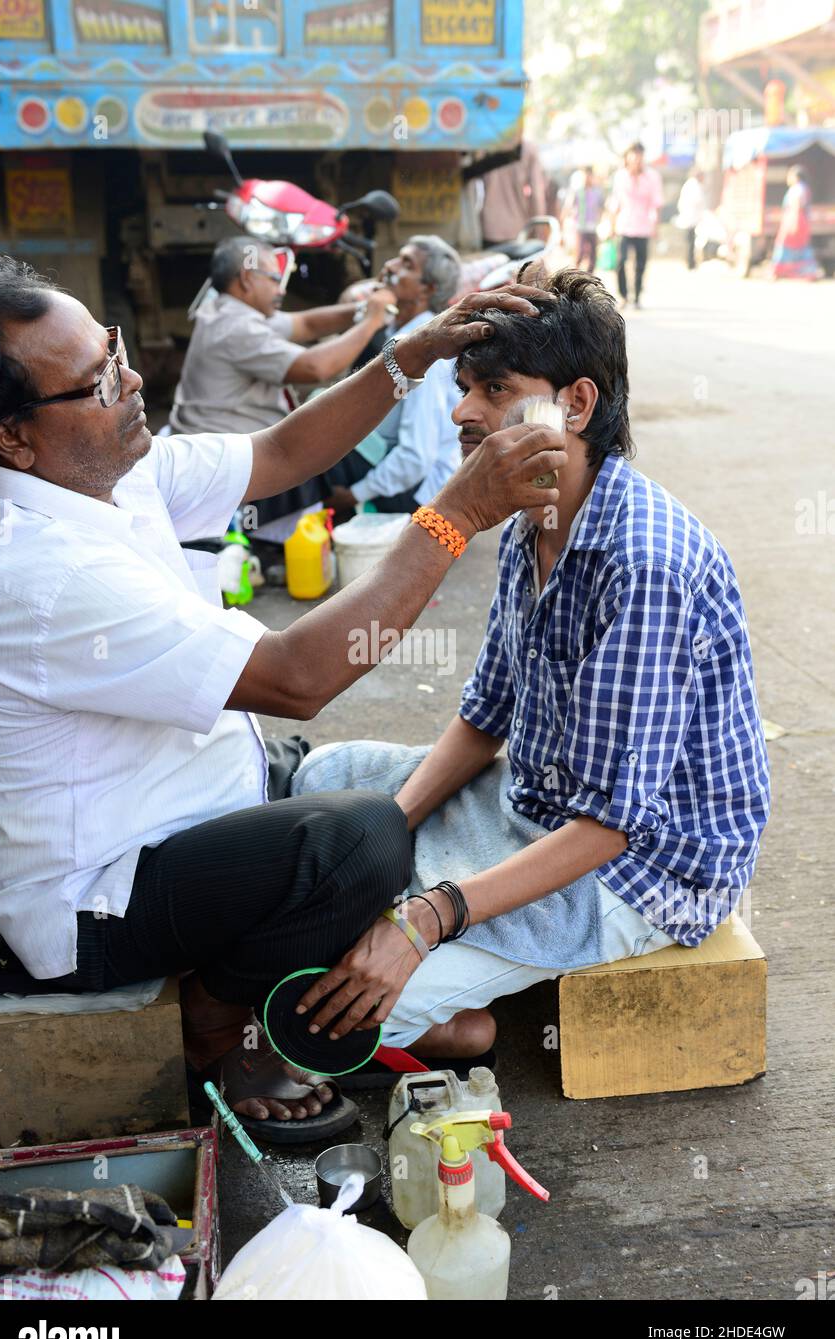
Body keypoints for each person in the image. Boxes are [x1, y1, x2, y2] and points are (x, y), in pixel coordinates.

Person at [0, 256, 562, 1142]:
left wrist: (416, 350)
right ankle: (217, 1023)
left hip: (187, 796)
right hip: (103, 896)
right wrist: (454, 514)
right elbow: (298, 677)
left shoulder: (101, 465)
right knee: (361, 837)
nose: (129, 381)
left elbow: (281, 453)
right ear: (11, 438)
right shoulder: (35, 572)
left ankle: (330, 990)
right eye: (96, 382)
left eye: (116, 349)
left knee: (376, 784)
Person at [291, 266, 770, 1059]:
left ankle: (457, 1024)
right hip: (539, 804)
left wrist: (428, 913)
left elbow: (610, 827)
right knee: (328, 780)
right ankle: (460, 983)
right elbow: (483, 719)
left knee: (340, 1007)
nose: (462, 410)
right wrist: (386, 832)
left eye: (493, 389)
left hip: (643, 871)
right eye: (463, 386)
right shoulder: (529, 516)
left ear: (575, 404)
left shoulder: (641, 563)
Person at [170, 237, 395, 530]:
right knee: (339, 443)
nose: (282, 289)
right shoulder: (235, 327)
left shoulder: (231, 310)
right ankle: (287, 533)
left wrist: (362, 310)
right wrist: (371, 322)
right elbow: (316, 367)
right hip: (226, 464)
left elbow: (307, 325)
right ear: (247, 279)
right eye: (275, 278)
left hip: (214, 445)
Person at [326, 236, 463, 517]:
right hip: (397, 469)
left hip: (418, 494)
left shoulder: (423, 348)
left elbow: (416, 457)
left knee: (320, 448)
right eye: (397, 258)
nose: (389, 266)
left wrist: (353, 495)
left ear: (428, 288)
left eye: (406, 264)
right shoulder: (395, 333)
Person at [609, 142, 663, 310]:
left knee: (640, 264)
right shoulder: (620, 176)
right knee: (621, 261)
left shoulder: (652, 177)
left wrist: (656, 226)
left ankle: (637, 296)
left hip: (643, 226)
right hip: (624, 225)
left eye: (640, 158)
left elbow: (656, 203)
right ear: (627, 158)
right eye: (634, 158)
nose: (637, 162)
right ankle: (624, 295)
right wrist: (611, 225)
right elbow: (614, 203)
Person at [480, 138, 548, 247]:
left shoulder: (483, 147)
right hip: (519, 229)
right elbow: (537, 194)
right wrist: (539, 230)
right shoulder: (529, 149)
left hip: (489, 228)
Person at [771, 166, 822, 280]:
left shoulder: (797, 189)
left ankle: (778, 271)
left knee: (784, 244)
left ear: (796, 177)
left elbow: (797, 206)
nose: (788, 178)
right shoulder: (803, 188)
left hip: (794, 220)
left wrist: (794, 223)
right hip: (800, 220)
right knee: (802, 246)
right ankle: (808, 271)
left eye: (790, 175)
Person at [562, 167, 604, 274]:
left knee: (593, 254)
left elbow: (601, 207)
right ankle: (574, 275)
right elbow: (568, 207)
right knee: (579, 253)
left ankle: (590, 275)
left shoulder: (597, 192)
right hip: (580, 226)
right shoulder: (577, 191)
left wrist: (600, 219)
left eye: (589, 176)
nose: (587, 179)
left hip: (593, 227)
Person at [675, 167, 706, 270]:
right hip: (690, 217)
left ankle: (690, 262)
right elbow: (698, 201)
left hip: (691, 217)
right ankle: (690, 262)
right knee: (690, 242)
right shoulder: (693, 185)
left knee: (690, 241)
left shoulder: (690, 185)